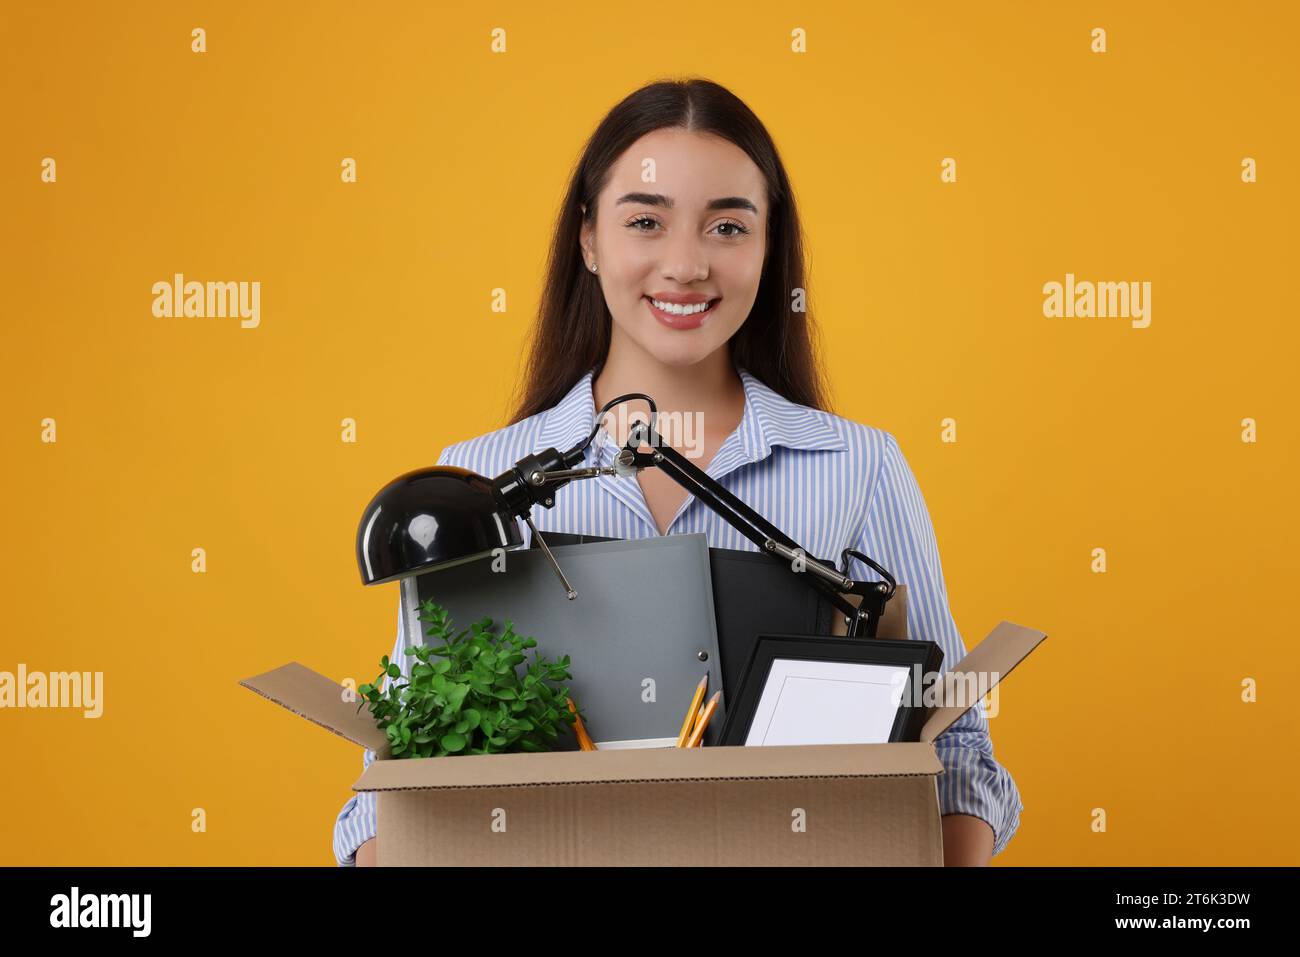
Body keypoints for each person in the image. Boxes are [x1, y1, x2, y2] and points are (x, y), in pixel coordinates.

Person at [334, 77, 1022, 867]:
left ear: (769, 247)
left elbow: (959, 748)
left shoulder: (858, 466)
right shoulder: (475, 482)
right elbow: (392, 780)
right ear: (589, 239)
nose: (686, 264)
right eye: (646, 222)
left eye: (727, 225)